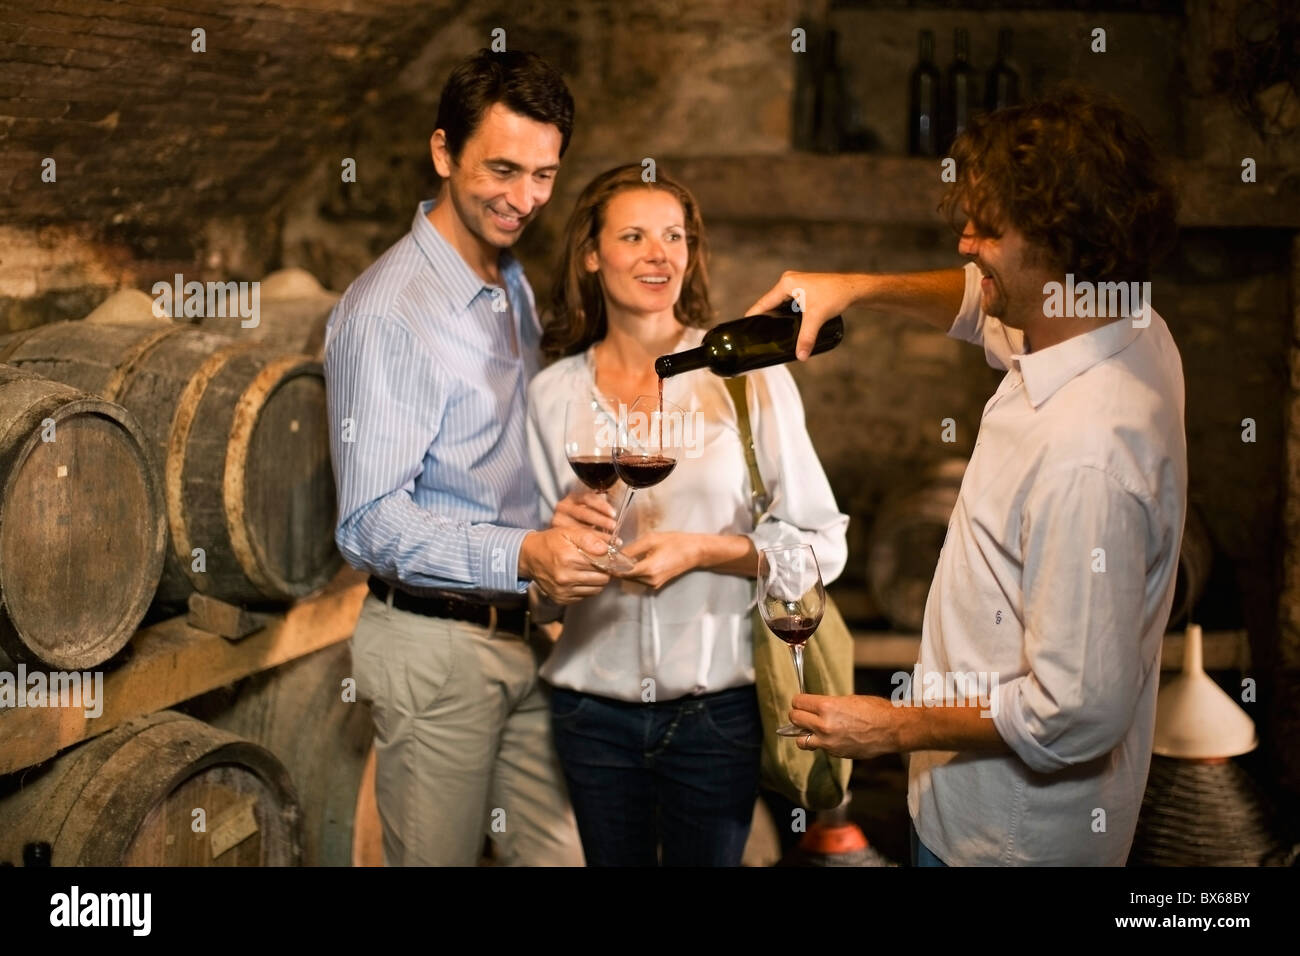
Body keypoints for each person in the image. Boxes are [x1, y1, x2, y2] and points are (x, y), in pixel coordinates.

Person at [747, 87, 1185, 866]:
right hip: (955, 807)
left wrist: (893, 726)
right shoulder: (1123, 323)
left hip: (1008, 843)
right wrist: (857, 287)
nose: (966, 244)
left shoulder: (1088, 452)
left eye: (990, 227)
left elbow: (1077, 712)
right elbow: (981, 310)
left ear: (1058, 240)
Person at [323, 49, 610, 867]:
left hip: (524, 637)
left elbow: (488, 459)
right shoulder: (388, 315)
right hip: (434, 650)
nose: (525, 200)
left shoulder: (508, 276)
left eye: (546, 176)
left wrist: (551, 519)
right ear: (443, 152)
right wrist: (526, 552)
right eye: (504, 170)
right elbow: (368, 523)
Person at [525, 164, 849, 866]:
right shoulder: (551, 395)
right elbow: (537, 599)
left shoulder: (746, 376)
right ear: (591, 253)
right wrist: (557, 561)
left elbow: (823, 547)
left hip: (717, 712)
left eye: (674, 236)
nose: (659, 253)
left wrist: (704, 551)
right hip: (590, 711)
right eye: (634, 235)